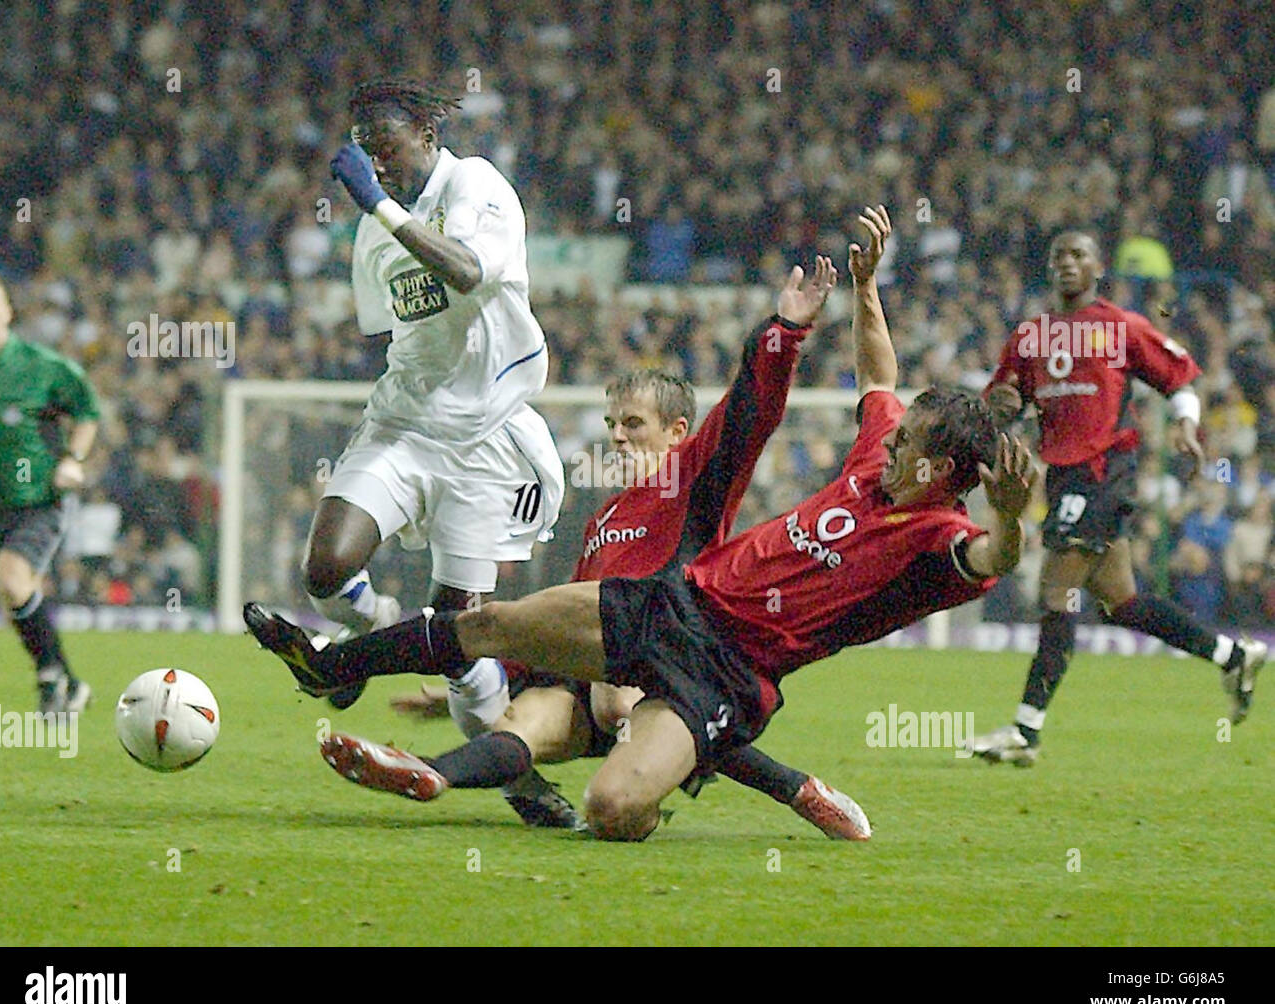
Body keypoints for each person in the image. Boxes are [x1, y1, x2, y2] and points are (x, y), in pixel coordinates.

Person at [246, 205, 1035, 842]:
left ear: (932, 472)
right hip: (675, 604)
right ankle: (339, 673)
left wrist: (1006, 513)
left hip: (731, 673)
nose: (887, 434)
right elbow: (880, 374)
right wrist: (866, 289)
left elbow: (993, 552)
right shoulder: (871, 461)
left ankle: (724, 785)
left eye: (905, 441)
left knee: (613, 809)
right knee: (487, 626)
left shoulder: (936, 545)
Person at [326, 256, 876, 839]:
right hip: (594, 673)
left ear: (678, 432)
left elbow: (751, 413)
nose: (616, 435)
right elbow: (569, 619)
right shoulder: (606, 516)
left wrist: (785, 333)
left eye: (634, 423)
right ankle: (428, 772)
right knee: (526, 718)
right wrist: (485, 681)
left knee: (618, 708)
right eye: (613, 422)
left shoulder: (695, 478)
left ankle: (793, 787)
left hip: (667, 666)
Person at [300, 78, 570, 825]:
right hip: (407, 423)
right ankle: (369, 617)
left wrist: (381, 209)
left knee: (459, 633)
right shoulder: (373, 225)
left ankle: (519, 783)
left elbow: (469, 273)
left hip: (483, 439)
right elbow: (397, 325)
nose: (376, 164)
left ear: (425, 130)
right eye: (364, 151)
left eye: (384, 144)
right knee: (325, 567)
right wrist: (382, 214)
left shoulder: (476, 184)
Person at [971, 230, 1265, 766]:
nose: (1067, 263)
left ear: (1098, 266)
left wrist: (1185, 426)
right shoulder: (1030, 336)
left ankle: (1025, 731)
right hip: (1062, 474)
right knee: (1120, 599)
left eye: (1079, 255)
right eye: (1058, 254)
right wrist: (1003, 403)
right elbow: (1001, 398)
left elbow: (1178, 380)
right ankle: (1232, 654)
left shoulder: (1120, 327)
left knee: (1054, 588)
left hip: (1105, 469)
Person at [0, 270, 98, 713]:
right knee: (13, 599)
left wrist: (73, 460)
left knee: (12, 580)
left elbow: (86, 411)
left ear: (8, 311)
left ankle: (53, 677)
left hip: (35, 502)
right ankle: (63, 678)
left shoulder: (42, 367)